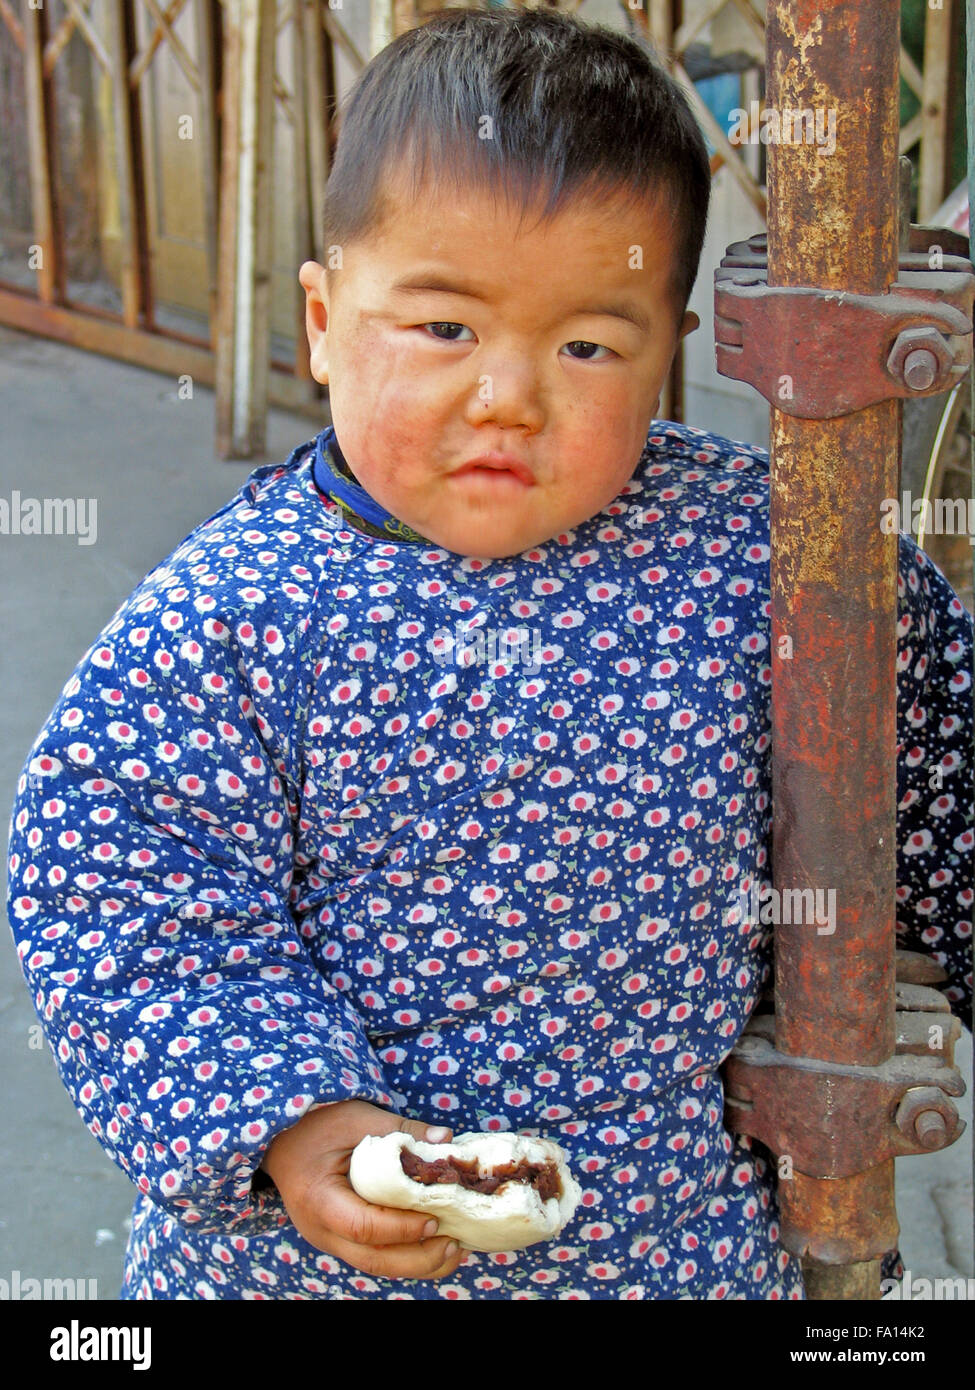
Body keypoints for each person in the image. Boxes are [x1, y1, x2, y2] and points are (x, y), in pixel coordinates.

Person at [6, 6, 971, 1301]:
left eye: (588, 344)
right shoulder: (233, 617)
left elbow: (941, 774)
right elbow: (115, 893)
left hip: (670, 1252)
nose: (510, 391)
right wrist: (292, 1122)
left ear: (669, 356)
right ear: (323, 319)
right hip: (302, 1272)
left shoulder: (770, 562)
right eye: (445, 328)